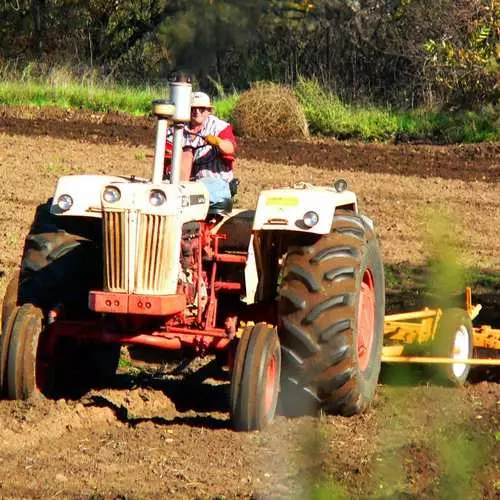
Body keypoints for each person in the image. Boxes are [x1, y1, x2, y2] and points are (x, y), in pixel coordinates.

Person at [165, 91, 237, 206]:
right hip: (184, 185)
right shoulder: (174, 130)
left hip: (216, 183)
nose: (196, 112)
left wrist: (218, 141)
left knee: (190, 198)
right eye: (192, 108)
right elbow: (166, 160)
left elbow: (230, 148)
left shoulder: (219, 127)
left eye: (201, 109)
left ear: (209, 111)